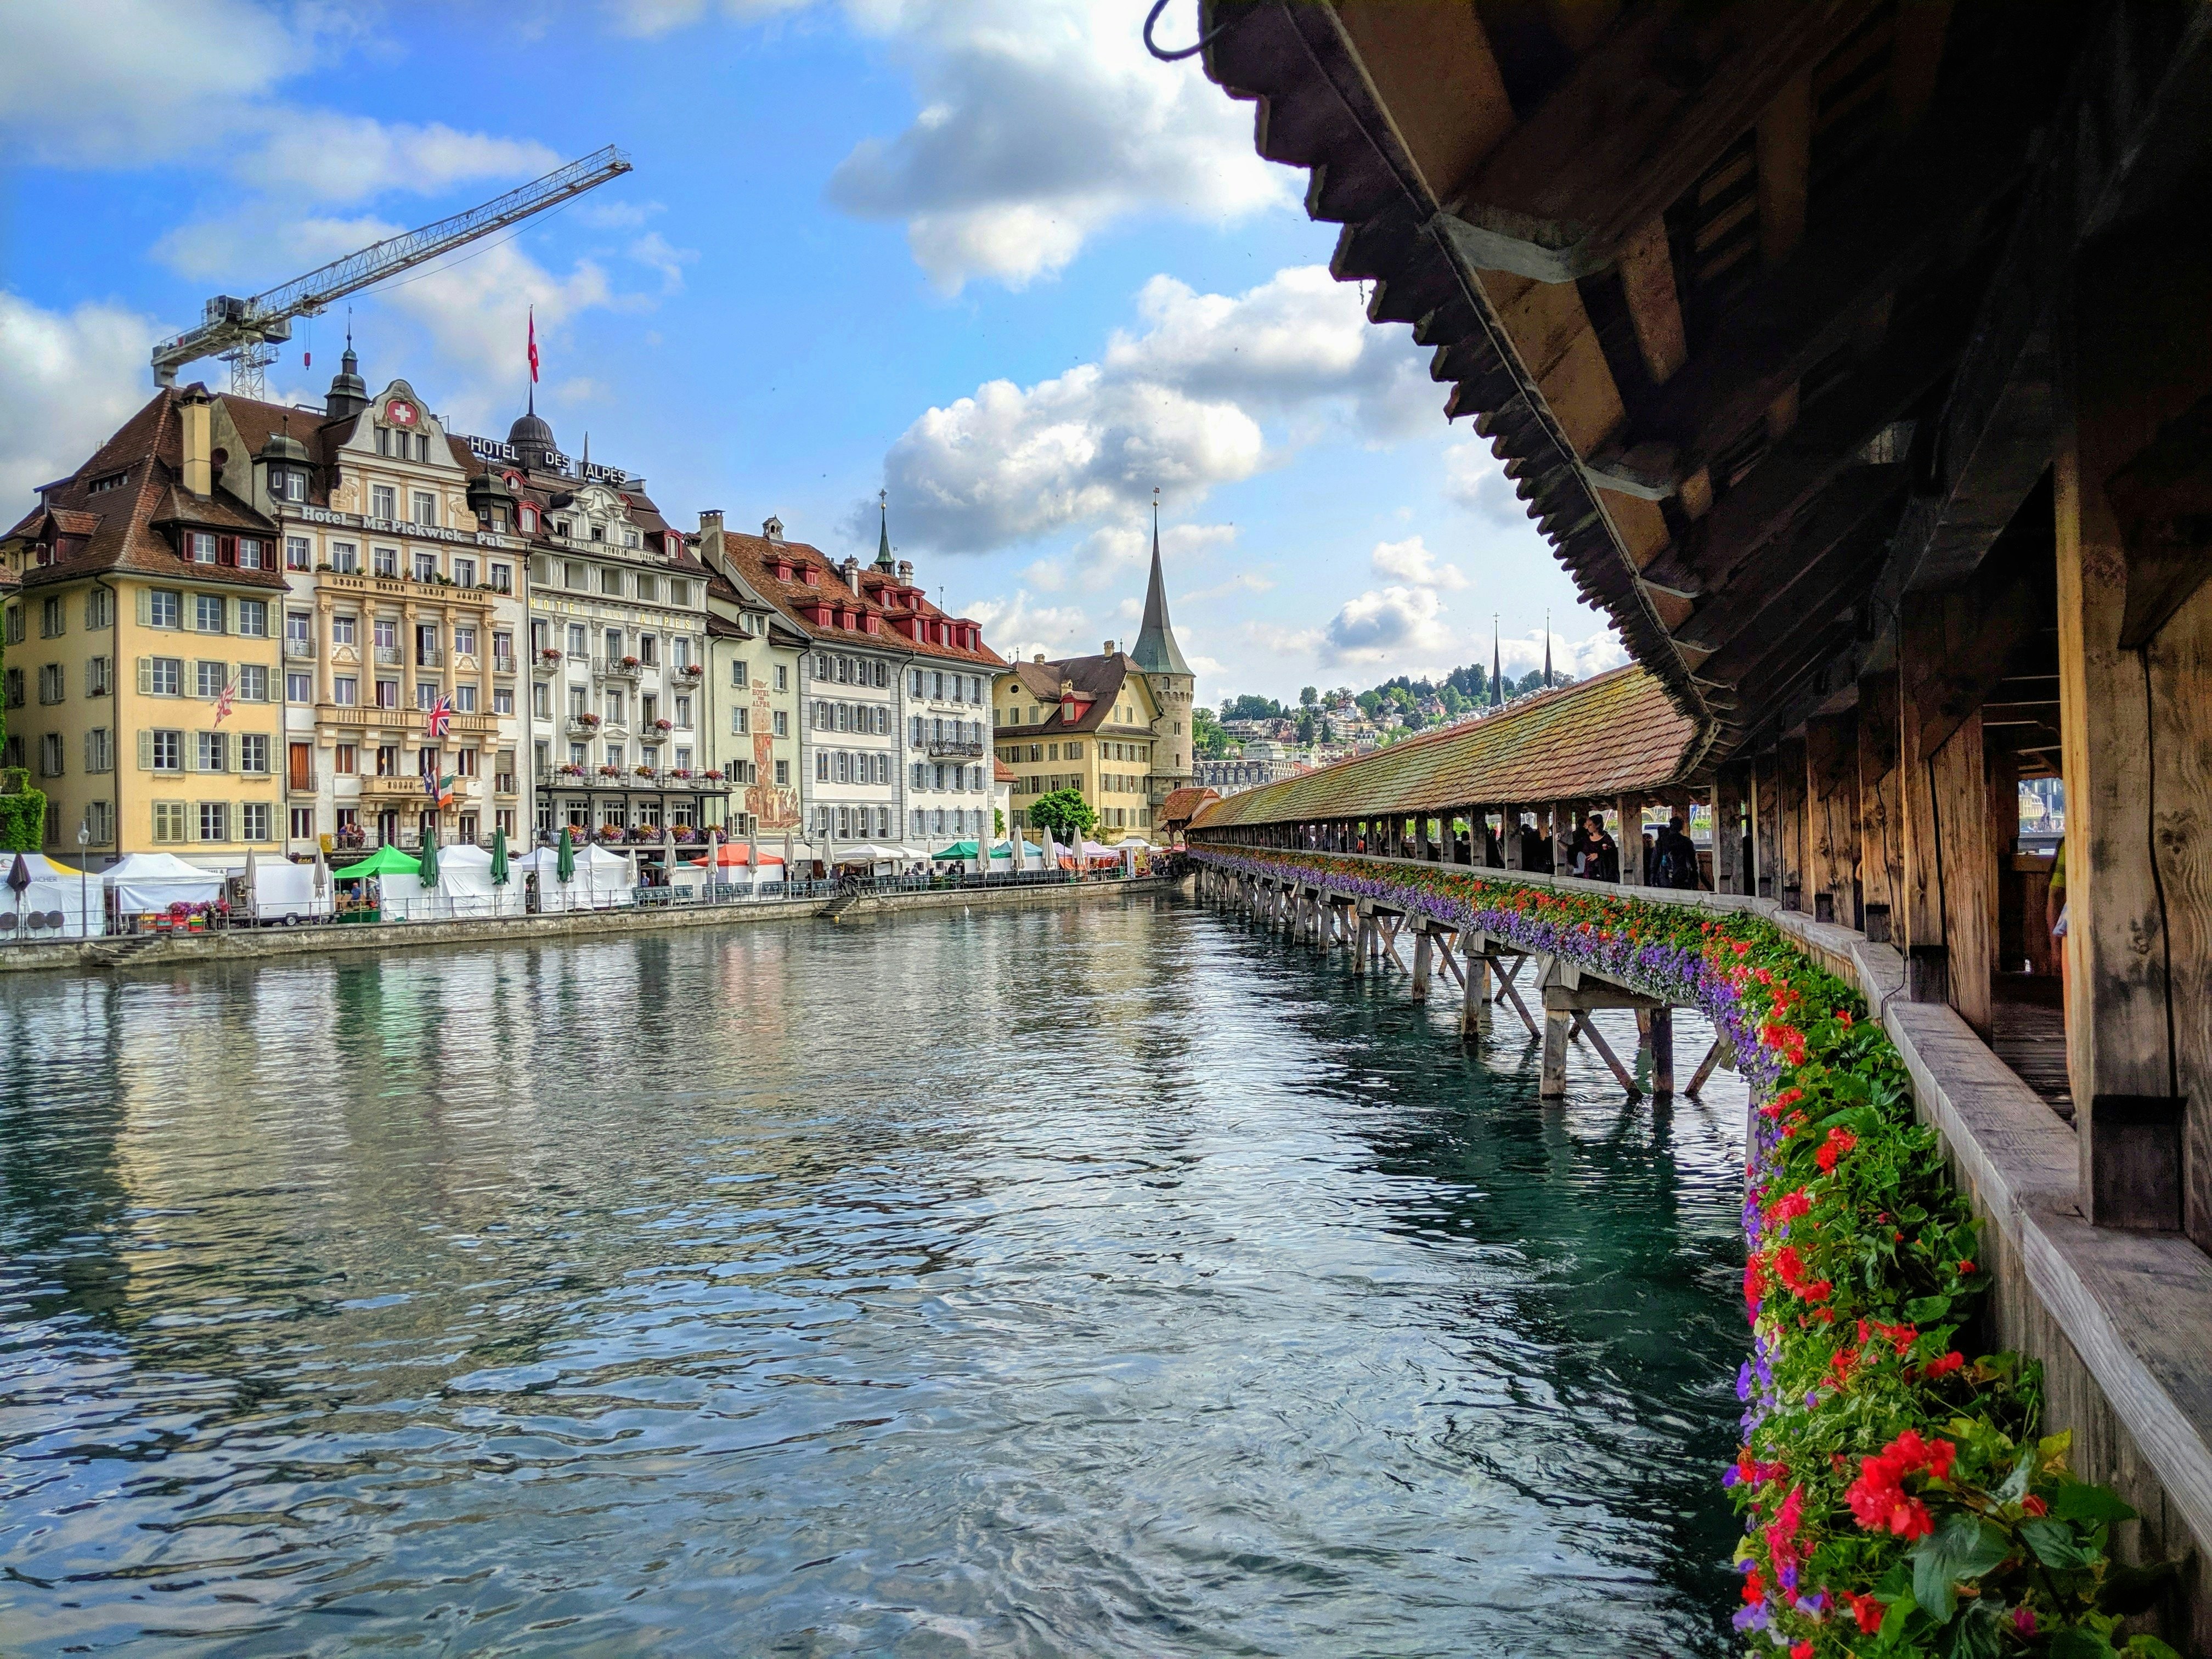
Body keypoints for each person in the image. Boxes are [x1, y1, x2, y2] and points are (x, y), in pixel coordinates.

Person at [1654, 812, 1702, 890]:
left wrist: (1653, 880)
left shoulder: (1663, 842)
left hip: (1665, 878)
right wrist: (1695, 881)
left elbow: (1655, 861)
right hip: (1684, 877)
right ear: (1682, 827)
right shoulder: (1687, 841)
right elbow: (1694, 863)